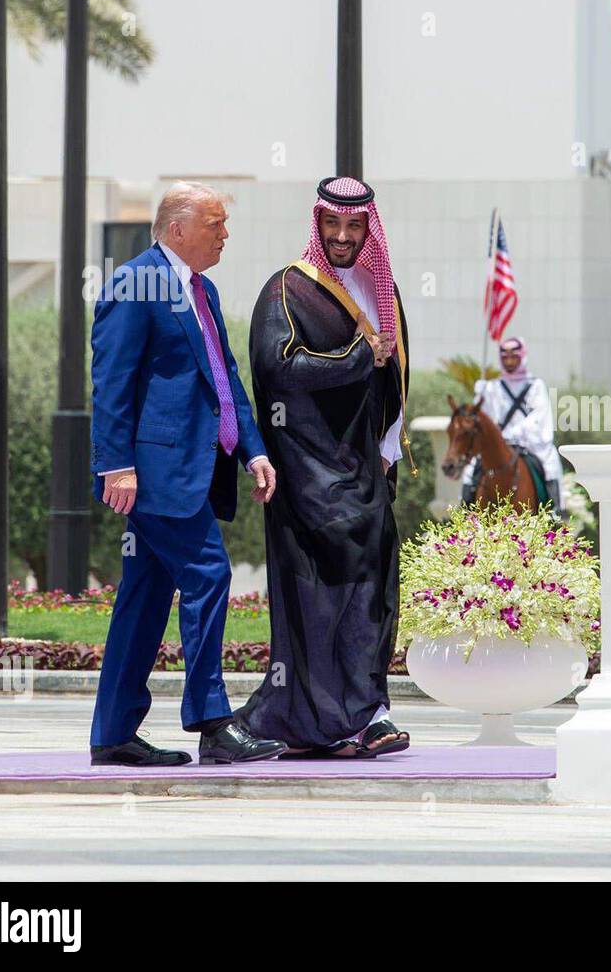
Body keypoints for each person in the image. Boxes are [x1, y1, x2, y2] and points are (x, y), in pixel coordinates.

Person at [89, 182, 287, 766]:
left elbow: (223, 380)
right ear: (178, 228)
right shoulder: (134, 283)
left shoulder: (203, 290)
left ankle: (113, 736)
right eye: (215, 224)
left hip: (191, 471)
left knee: (144, 598)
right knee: (208, 572)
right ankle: (212, 722)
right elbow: (111, 382)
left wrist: (253, 449)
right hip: (153, 475)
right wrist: (116, 465)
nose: (225, 233)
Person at [235, 177, 414, 759]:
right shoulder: (289, 290)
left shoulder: (379, 288)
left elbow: (395, 374)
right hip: (311, 479)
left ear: (369, 229)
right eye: (332, 225)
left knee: (374, 594)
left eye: (354, 227)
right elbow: (277, 366)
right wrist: (360, 355)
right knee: (321, 600)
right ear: (318, 224)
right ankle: (315, 720)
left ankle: (368, 712)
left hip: (366, 476)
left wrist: (387, 446)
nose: (342, 237)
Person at [460, 337, 565, 517]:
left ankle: (554, 511)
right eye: (505, 357)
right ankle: (466, 511)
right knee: (471, 469)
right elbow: (483, 417)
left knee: (550, 463)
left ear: (521, 357)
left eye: (513, 357)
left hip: (527, 442)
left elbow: (539, 416)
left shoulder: (535, 385)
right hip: (499, 442)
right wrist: (480, 397)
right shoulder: (493, 387)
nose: (509, 361)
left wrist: (516, 432)